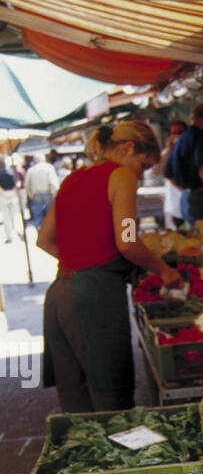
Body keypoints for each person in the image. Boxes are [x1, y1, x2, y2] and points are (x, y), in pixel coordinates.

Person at [37, 120, 181, 413]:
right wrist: (164, 270)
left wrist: (81, 261)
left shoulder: (72, 178)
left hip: (58, 296)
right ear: (128, 148)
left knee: (76, 408)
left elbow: (44, 240)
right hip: (94, 301)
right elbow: (127, 240)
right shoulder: (121, 176)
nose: (140, 175)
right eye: (143, 165)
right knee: (111, 403)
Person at [165, 102, 203, 224]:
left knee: (196, 238)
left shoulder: (182, 138)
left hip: (186, 199)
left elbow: (168, 174)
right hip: (201, 201)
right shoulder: (199, 136)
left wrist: (186, 189)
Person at [158, 119, 187, 230]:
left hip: (190, 201)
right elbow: (161, 172)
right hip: (175, 200)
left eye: (180, 133)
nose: (176, 136)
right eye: (173, 133)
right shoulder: (167, 152)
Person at [24, 154, 59, 229]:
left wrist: (30, 194)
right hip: (48, 193)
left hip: (36, 194)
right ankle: (50, 232)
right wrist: (55, 193)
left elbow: (26, 184)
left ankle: (40, 232)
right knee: (50, 216)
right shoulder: (49, 168)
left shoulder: (31, 170)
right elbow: (54, 183)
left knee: (38, 216)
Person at [0, 156, 17, 243]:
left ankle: (9, 236)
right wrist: (13, 192)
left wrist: (3, 193)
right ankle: (16, 232)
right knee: (14, 215)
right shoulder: (11, 170)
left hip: (3, 195)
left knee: (6, 217)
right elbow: (16, 182)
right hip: (13, 194)